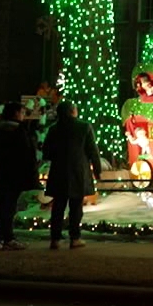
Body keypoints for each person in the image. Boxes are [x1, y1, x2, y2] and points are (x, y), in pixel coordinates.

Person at [42, 101, 102, 249]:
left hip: (59, 172)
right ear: (72, 111)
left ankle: (55, 239)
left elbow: (46, 153)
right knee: (76, 206)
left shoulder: (54, 129)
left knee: (58, 206)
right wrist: (97, 171)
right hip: (78, 171)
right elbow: (93, 151)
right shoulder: (84, 127)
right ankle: (75, 238)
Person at [0, 101, 39, 250]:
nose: (23, 116)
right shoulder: (18, 131)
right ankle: (8, 237)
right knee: (9, 207)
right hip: (15, 173)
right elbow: (27, 152)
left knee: (3, 205)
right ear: (16, 114)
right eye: (22, 113)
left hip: (2, 172)